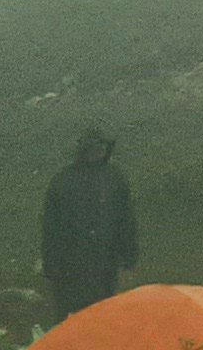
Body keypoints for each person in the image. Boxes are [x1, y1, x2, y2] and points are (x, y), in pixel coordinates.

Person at [39, 132, 140, 324]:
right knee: (70, 319)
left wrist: (129, 259)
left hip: (105, 265)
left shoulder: (115, 180)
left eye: (102, 147)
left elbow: (126, 222)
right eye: (94, 147)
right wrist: (51, 266)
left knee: (103, 317)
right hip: (69, 268)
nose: (99, 152)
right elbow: (51, 228)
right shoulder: (63, 182)